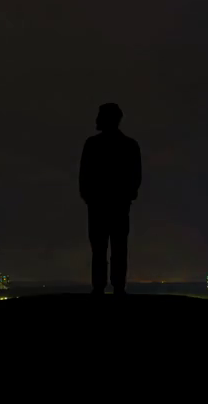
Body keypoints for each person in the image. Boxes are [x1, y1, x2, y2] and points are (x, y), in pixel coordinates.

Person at [79, 102, 141, 296]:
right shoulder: (129, 145)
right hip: (117, 205)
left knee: (101, 249)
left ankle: (102, 287)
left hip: (101, 204)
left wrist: (89, 196)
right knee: (117, 248)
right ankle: (117, 287)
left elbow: (85, 175)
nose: (97, 120)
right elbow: (135, 176)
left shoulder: (93, 144)